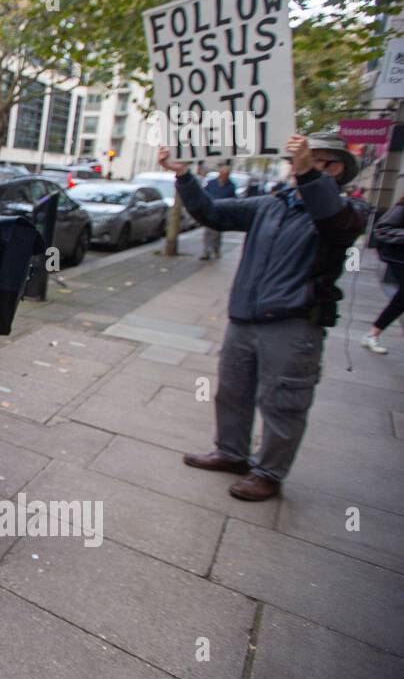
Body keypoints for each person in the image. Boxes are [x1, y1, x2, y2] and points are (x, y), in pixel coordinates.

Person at [161, 133, 367, 501]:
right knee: (232, 392)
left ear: (333, 169)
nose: (294, 165)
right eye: (296, 159)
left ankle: (269, 473)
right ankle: (231, 453)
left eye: (308, 158)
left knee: (283, 401)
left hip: (293, 322)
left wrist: (308, 176)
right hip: (245, 318)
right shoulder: (273, 204)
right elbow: (213, 213)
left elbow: (331, 219)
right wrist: (184, 177)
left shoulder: (345, 213)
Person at [362, 196, 404, 354]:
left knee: (401, 299)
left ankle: (372, 334)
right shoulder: (401, 208)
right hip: (399, 259)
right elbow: (381, 230)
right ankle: (372, 334)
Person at [200, 163, 235, 260]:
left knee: (217, 232)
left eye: (226, 173)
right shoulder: (211, 183)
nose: (224, 175)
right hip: (210, 209)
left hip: (221, 211)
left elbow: (232, 199)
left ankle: (216, 249)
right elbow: (204, 194)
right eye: (223, 173)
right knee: (208, 231)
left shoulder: (231, 186)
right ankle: (206, 251)